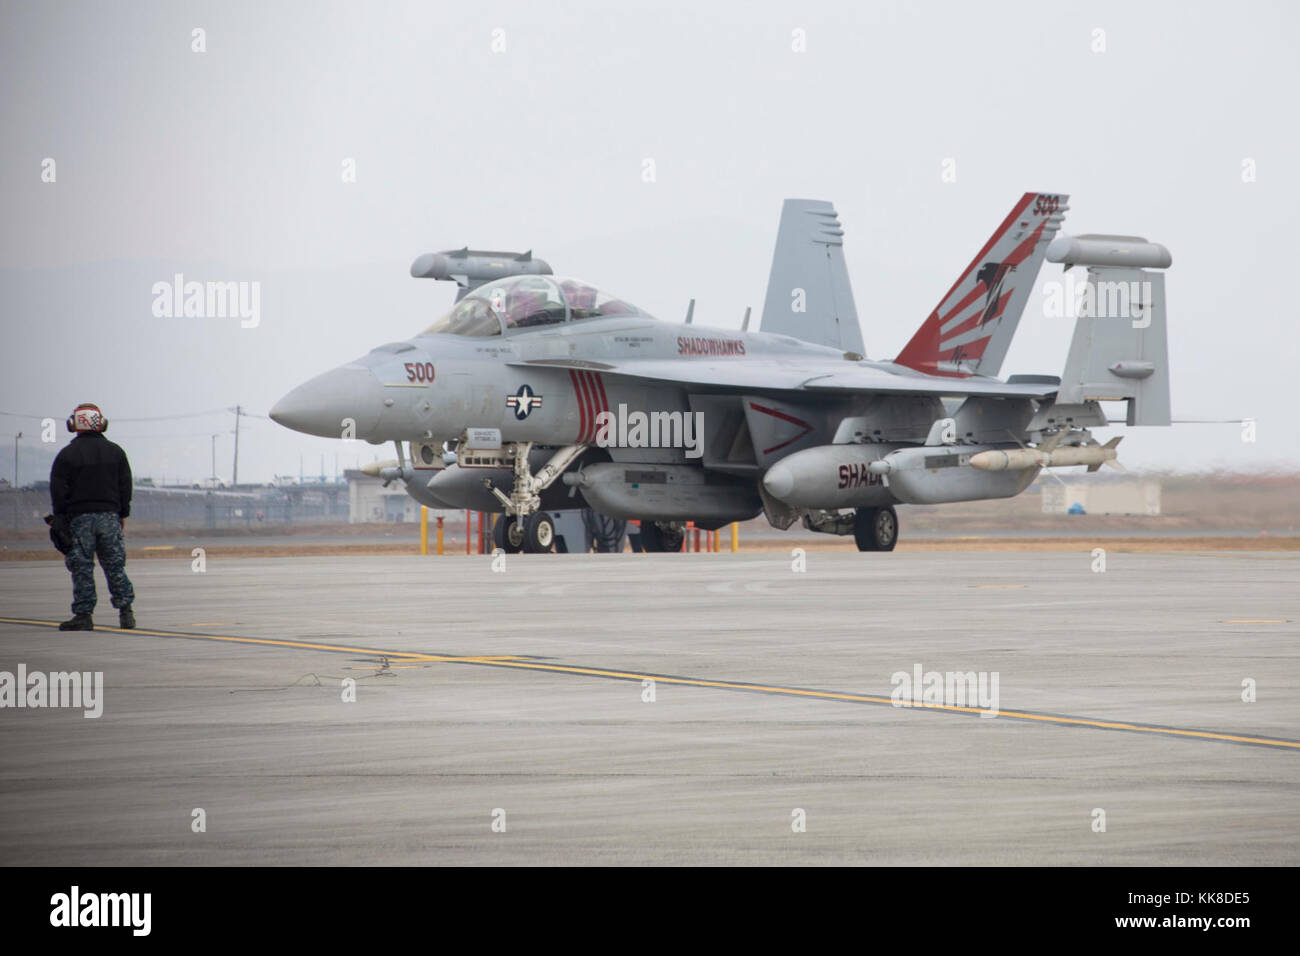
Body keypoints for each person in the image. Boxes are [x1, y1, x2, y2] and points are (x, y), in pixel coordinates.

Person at [49, 403, 135, 630]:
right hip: (110, 517)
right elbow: (125, 486)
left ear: (74, 425)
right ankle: (126, 612)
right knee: (115, 565)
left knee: (82, 567)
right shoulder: (116, 452)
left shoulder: (67, 455)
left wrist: (60, 519)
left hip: (80, 519)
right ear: (101, 424)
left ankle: (84, 615)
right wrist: (122, 513)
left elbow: (58, 491)